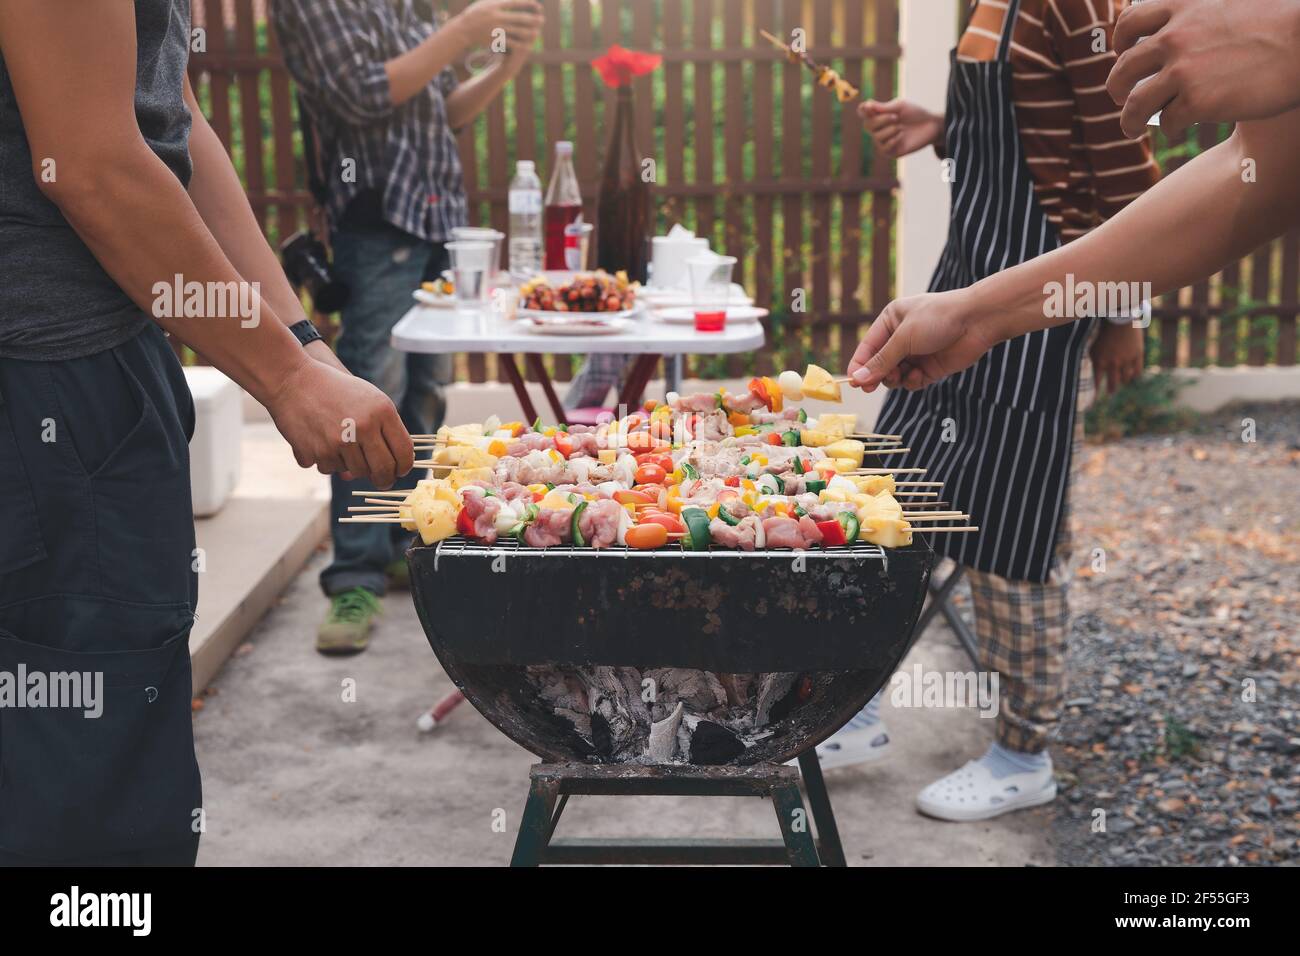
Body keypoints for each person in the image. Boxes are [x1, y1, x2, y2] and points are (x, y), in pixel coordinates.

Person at [0, 0, 412, 865]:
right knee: (85, 804)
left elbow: (170, 119)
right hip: (46, 387)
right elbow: (90, 162)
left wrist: (303, 348)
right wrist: (287, 377)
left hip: (98, 372)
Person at [813, 0, 1158, 823]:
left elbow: (1123, 165)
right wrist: (939, 126)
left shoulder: (1073, 4)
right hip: (963, 283)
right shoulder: (986, 4)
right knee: (895, 497)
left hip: (1044, 306)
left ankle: (1021, 753)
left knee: (1011, 536)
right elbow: (1030, 140)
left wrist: (1124, 314)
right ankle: (856, 708)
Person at [270, 0, 544, 654]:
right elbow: (364, 97)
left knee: (424, 394)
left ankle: (402, 544)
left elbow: (442, 112)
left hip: (438, 223)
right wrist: (462, 33)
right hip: (376, 224)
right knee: (368, 394)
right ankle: (355, 576)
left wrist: (507, 63)